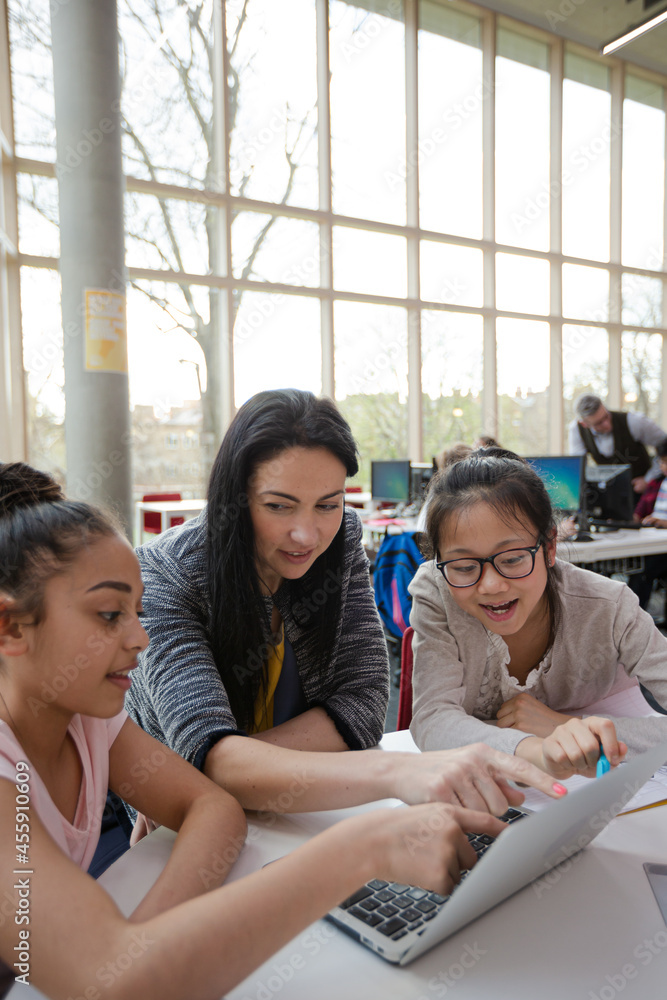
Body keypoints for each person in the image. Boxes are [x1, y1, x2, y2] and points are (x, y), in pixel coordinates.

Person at [0, 461, 566, 999]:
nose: (139, 639)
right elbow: (107, 980)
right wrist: (360, 850)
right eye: (108, 615)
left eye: (137, 613)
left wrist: (149, 942)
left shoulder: (87, 717)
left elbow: (213, 809)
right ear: (10, 627)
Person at [125, 390, 565, 818]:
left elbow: (365, 700)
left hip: (302, 810)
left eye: (327, 504)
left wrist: (220, 770)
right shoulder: (163, 575)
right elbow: (208, 748)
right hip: (180, 826)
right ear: (234, 499)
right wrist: (395, 771)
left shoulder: (339, 542)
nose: (307, 534)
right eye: (279, 506)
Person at [409, 448, 667, 777]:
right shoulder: (437, 591)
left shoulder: (609, 606)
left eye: (513, 559)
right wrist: (537, 750)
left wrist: (566, 726)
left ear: (549, 548)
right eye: (462, 566)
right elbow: (433, 720)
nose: (490, 585)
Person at [568, 393, 665, 495]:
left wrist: (648, 479)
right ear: (584, 424)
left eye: (606, 416)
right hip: (610, 494)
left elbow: (665, 447)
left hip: (646, 492)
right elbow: (578, 467)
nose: (606, 424)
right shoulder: (576, 430)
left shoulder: (635, 421)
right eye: (598, 423)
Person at [626, 437, 667, 609]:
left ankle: (633, 618)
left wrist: (663, 522)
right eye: (660, 461)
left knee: (642, 570)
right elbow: (640, 511)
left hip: (662, 546)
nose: (660, 466)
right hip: (652, 539)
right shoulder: (658, 482)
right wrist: (631, 520)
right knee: (637, 564)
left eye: (664, 462)